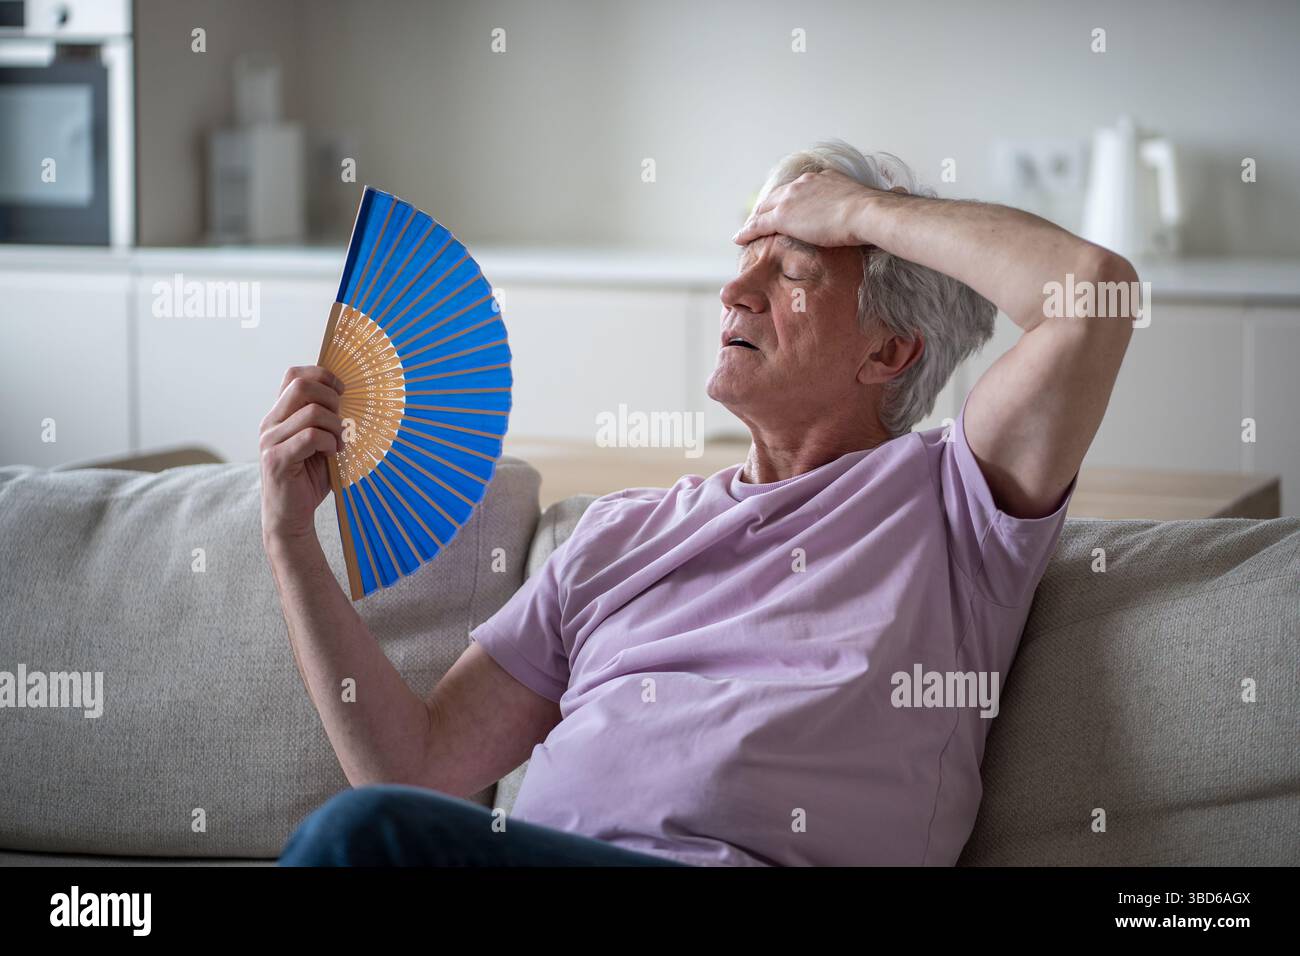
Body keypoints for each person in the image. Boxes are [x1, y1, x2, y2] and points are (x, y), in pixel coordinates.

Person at [263, 139, 1136, 866]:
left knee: (357, 839)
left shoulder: (952, 502)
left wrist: (861, 212)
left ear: (890, 354)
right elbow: (411, 769)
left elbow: (1093, 294)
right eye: (742, 262)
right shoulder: (619, 534)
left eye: (791, 269)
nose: (733, 291)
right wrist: (289, 537)